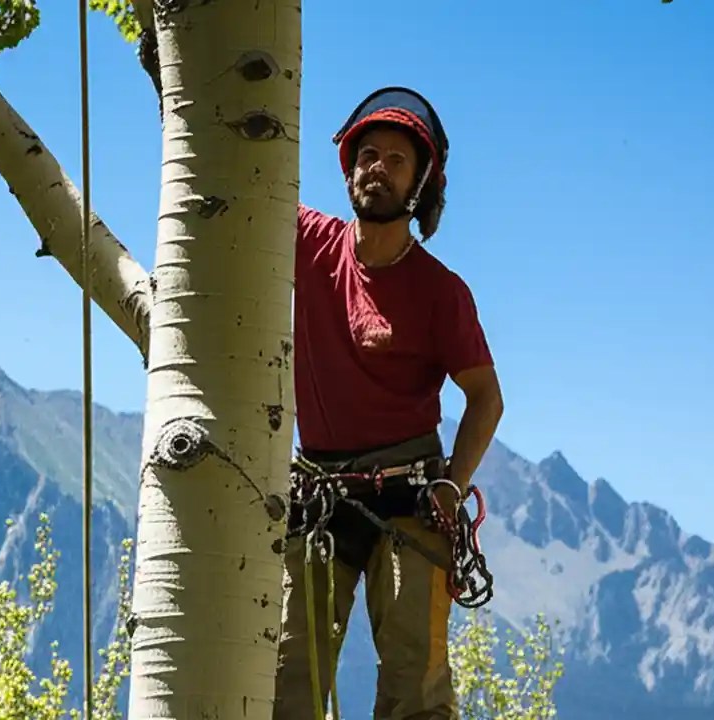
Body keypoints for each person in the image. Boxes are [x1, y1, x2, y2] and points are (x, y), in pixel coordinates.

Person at [274, 86, 505, 719]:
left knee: (415, 685)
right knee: (289, 680)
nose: (377, 167)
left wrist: (453, 488)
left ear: (420, 184)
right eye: (366, 154)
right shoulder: (308, 243)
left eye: (397, 159)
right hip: (320, 494)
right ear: (348, 170)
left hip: (410, 500)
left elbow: (485, 398)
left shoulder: (440, 292)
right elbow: (246, 176)